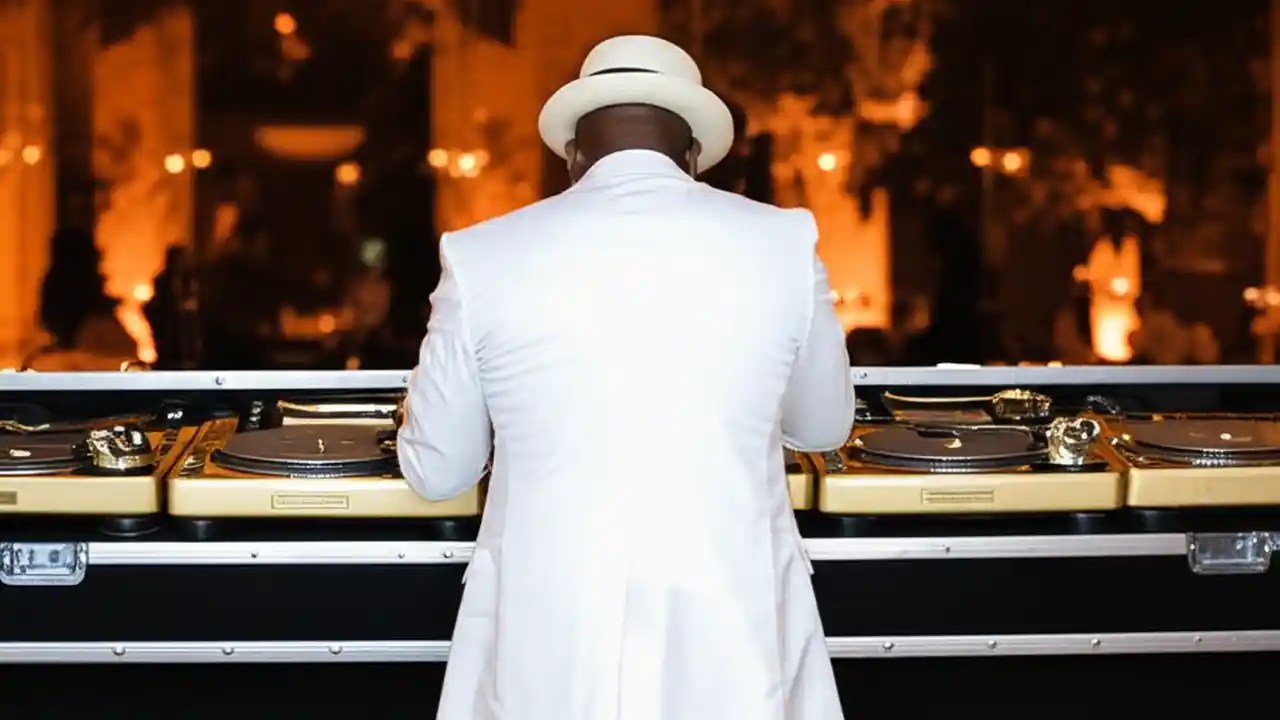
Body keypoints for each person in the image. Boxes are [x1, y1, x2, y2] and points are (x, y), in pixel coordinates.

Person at [398, 35, 853, 720]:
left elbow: (439, 470)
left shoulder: (482, 254)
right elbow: (822, 426)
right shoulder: (784, 242)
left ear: (574, 156)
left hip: (547, 636)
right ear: (694, 155)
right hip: (735, 627)